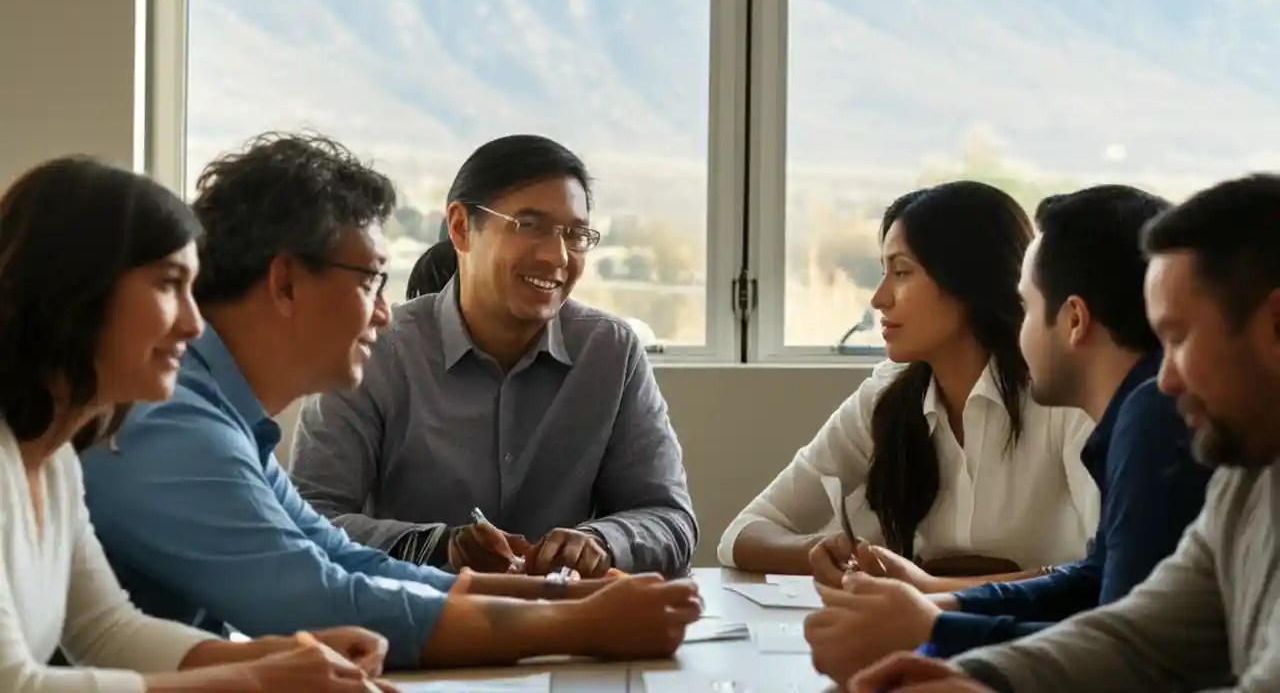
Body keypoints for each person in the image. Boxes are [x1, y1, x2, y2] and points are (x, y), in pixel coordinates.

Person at [80, 133, 701, 670]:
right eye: (370, 281)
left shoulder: (221, 414)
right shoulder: (171, 421)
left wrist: (560, 596)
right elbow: (319, 597)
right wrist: (578, 625)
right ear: (286, 282)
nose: (384, 313)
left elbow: (338, 555)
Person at [851, 174, 1280, 693]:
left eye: (1180, 337)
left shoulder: (1158, 416)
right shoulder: (1247, 474)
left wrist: (944, 633)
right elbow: (1138, 639)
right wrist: (975, 673)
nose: (1165, 379)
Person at [0, 156, 397, 692]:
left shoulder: (55, 463)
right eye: (169, 285)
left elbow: (107, 630)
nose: (193, 323)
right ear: (77, 287)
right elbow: (14, 685)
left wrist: (278, 655)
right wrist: (257, 679)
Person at [290, 134, 696, 578]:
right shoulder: (375, 350)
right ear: (461, 227)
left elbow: (668, 516)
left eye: (575, 235)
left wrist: (602, 542)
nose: (557, 256)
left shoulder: (611, 352)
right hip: (411, 612)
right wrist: (438, 547)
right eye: (530, 225)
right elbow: (309, 518)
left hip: (567, 616)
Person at [719, 181, 1098, 589]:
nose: (879, 298)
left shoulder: (1065, 396)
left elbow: (1113, 573)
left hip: (1044, 628)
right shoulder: (886, 396)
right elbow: (742, 535)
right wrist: (823, 551)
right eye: (884, 273)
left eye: (901, 272)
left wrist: (928, 589)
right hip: (910, 622)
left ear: (968, 279)